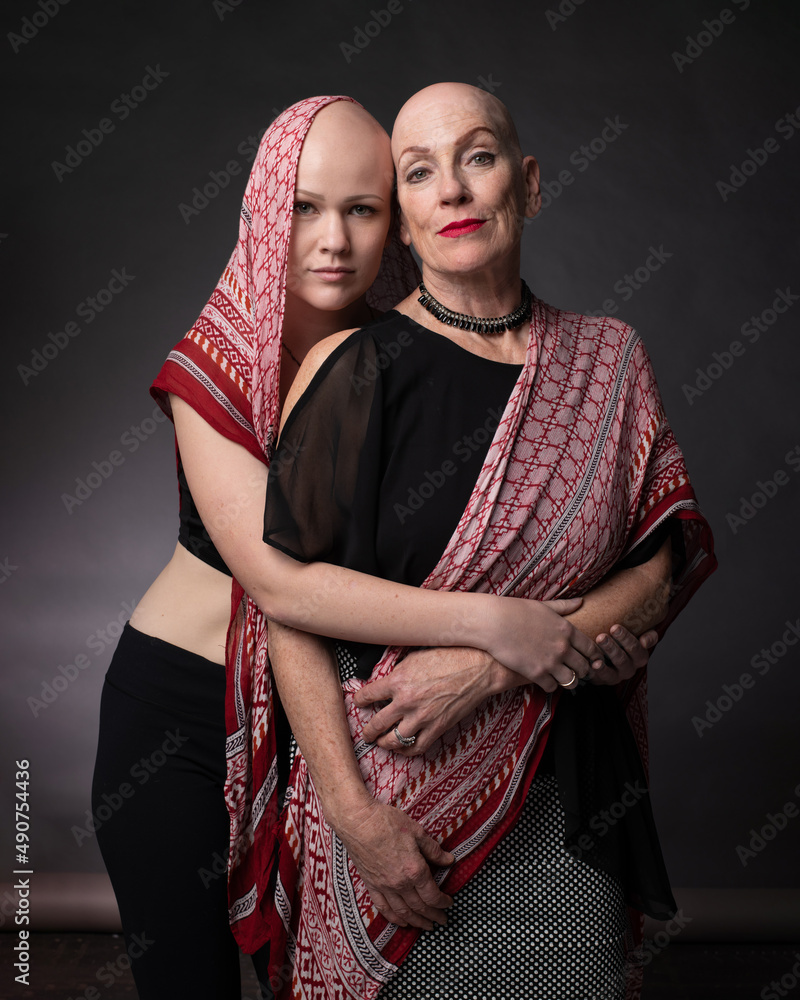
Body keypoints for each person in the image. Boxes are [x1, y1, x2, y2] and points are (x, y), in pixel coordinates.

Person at [92, 94, 655, 999]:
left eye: (363, 210)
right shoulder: (216, 361)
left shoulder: (393, 349)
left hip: (314, 715)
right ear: (267, 210)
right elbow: (284, 584)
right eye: (306, 208)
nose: (335, 240)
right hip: (185, 714)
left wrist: (587, 620)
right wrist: (495, 630)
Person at [261, 83, 716, 1000]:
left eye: (478, 157)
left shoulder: (610, 359)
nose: (454, 192)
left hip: (568, 806)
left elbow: (659, 564)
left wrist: (492, 666)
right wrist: (355, 819)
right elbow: (291, 605)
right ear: (403, 218)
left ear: (530, 182)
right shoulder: (356, 369)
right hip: (393, 814)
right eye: (420, 174)